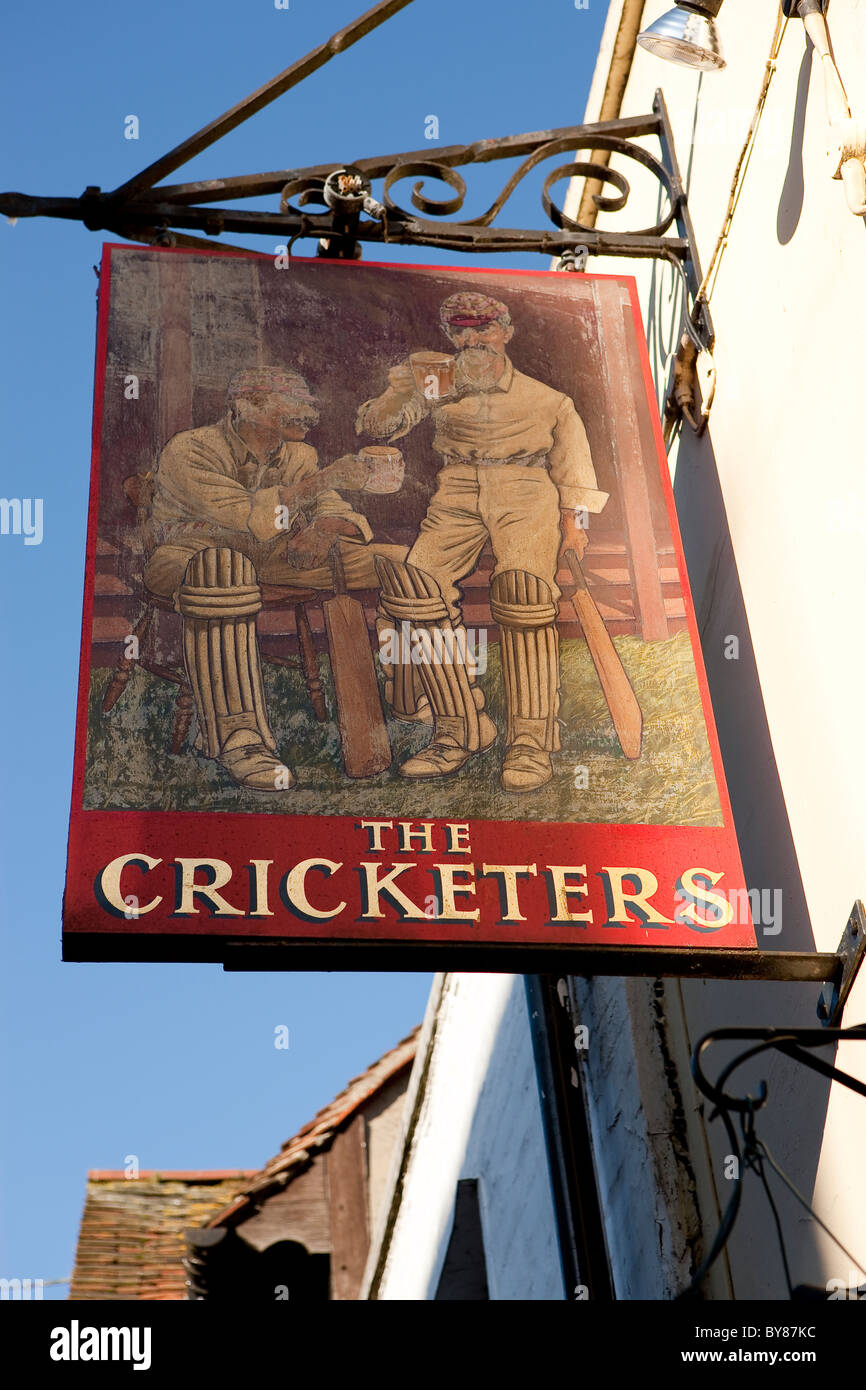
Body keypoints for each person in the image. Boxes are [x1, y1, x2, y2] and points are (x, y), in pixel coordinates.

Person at [356, 290, 609, 793]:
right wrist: (403, 389)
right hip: (457, 485)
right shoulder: (439, 384)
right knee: (415, 591)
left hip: (526, 487)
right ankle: (459, 728)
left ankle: (531, 743)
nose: (473, 339)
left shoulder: (548, 400)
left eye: (484, 328)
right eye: (461, 331)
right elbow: (376, 428)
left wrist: (576, 526)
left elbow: (575, 471)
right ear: (451, 336)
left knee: (524, 593)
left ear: (506, 332)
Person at [143, 367, 401, 791]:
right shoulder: (190, 448)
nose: (307, 414)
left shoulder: (299, 456)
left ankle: (435, 710)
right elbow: (243, 515)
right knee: (223, 567)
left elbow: (330, 506)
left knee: (402, 562)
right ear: (247, 408)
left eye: (307, 405)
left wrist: (325, 528)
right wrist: (327, 479)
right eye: (292, 404)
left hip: (274, 556)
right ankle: (241, 739)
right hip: (188, 555)